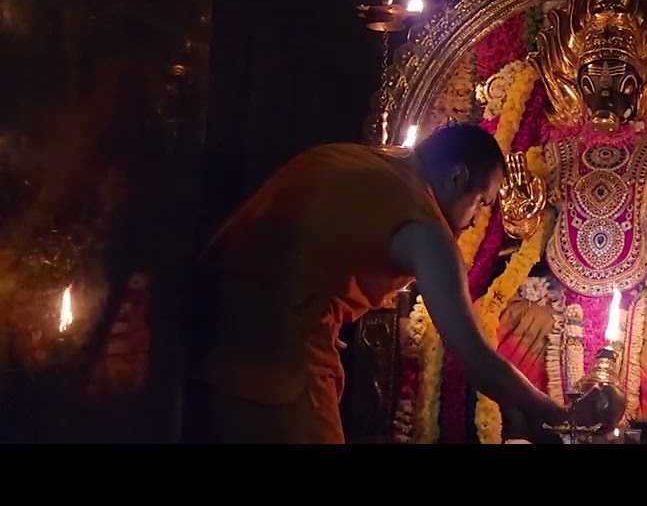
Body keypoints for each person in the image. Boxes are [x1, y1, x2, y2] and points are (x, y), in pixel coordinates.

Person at [183, 123, 570, 443]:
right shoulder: (424, 225)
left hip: (197, 345)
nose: (474, 221)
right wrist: (554, 412)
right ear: (457, 177)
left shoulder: (349, 157)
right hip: (275, 372)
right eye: (482, 203)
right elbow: (476, 358)